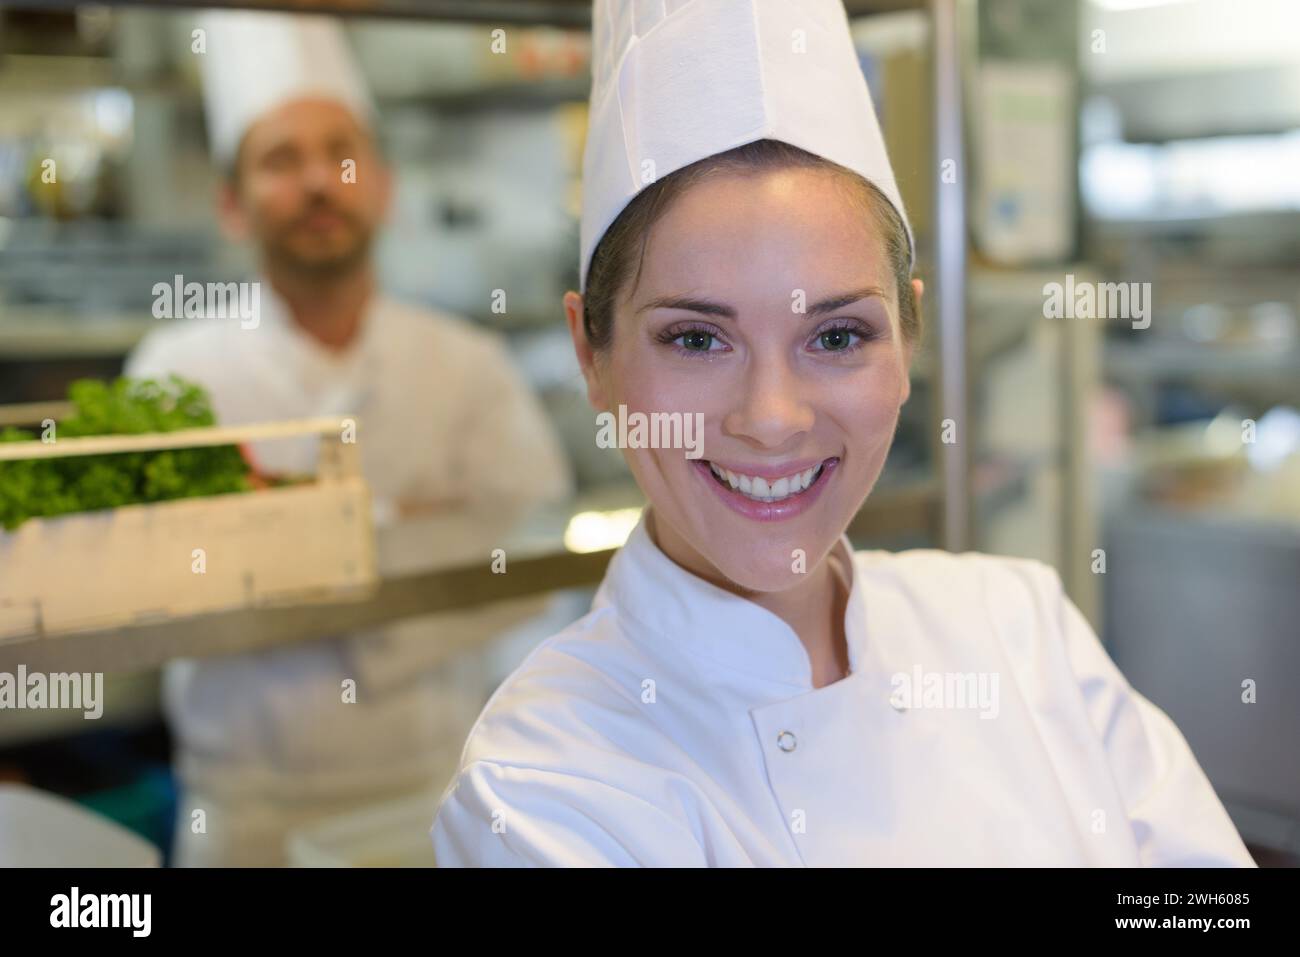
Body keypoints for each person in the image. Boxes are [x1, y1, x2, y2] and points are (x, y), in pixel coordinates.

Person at [430, 0, 1253, 866]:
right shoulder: (540, 790)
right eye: (697, 338)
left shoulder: (1017, 627)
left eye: (837, 336)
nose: (773, 416)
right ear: (590, 355)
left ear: (910, 338)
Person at [126, 11, 571, 866]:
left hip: (437, 798)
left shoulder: (465, 364)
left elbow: (531, 553)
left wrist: (316, 540)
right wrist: (407, 526)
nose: (317, 182)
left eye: (340, 152)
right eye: (278, 160)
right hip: (243, 813)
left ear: (383, 184)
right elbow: (149, 582)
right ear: (230, 202)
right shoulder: (174, 374)